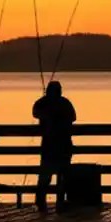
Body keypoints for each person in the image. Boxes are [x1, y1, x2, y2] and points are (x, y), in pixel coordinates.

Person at [32, 80, 77, 212]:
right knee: (58, 174)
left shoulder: (44, 103)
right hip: (60, 144)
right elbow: (73, 117)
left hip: (53, 144)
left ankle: (44, 201)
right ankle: (57, 201)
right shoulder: (64, 103)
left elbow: (35, 112)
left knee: (49, 174)